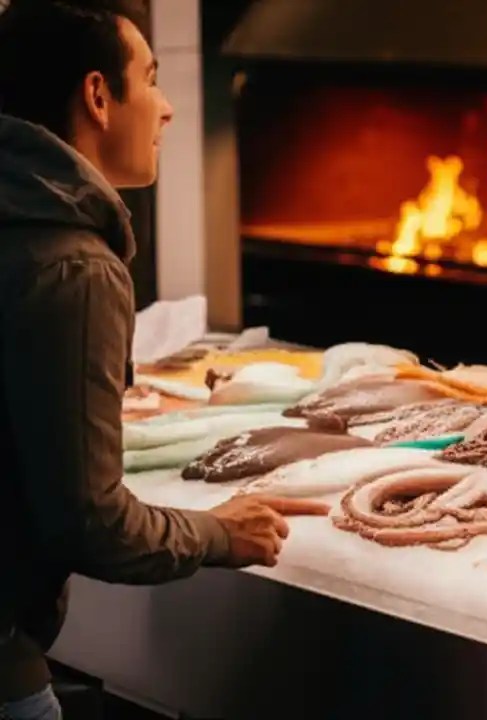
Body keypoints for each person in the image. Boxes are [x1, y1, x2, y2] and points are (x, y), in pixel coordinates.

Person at [0, 2, 328, 717]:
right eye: (150, 78)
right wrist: (220, 532)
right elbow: (90, 523)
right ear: (97, 96)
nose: (169, 107)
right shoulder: (73, 267)